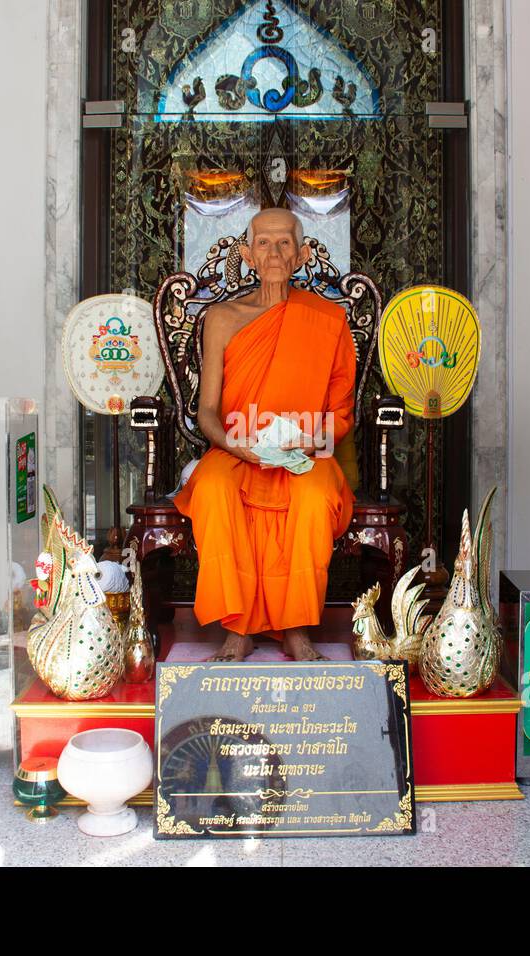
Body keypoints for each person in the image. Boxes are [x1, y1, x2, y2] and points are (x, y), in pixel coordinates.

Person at [172, 207, 357, 662]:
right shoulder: (222, 318)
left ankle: (295, 627)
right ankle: (238, 628)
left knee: (313, 498)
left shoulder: (327, 319)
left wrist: (302, 440)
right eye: (263, 243)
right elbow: (209, 411)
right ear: (246, 254)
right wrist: (238, 446)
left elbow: (341, 414)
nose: (274, 252)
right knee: (213, 488)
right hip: (237, 447)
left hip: (305, 451)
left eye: (285, 243)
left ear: (303, 254)